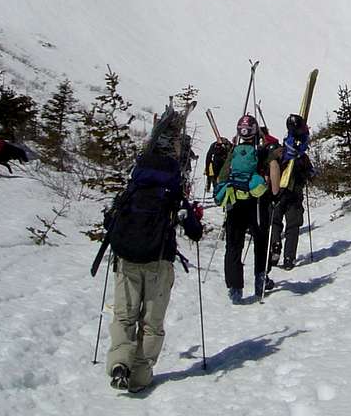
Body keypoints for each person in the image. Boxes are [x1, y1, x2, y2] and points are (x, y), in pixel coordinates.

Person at [105, 113, 203, 393]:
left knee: (124, 315)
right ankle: (139, 376)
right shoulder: (172, 187)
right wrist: (191, 222)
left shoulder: (135, 183)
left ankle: (119, 363)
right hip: (159, 260)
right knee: (151, 322)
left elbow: (111, 219)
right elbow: (193, 230)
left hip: (127, 259)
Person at [216, 114, 281, 302]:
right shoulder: (262, 152)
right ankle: (261, 279)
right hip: (258, 204)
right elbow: (274, 167)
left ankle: (235, 288)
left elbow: (221, 178)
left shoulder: (234, 153)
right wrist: (275, 194)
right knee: (261, 242)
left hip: (235, 203)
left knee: (234, 245)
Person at [269, 113, 313, 270]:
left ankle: (274, 245)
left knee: (275, 221)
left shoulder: (278, 152)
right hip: (294, 193)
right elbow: (311, 173)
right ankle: (289, 257)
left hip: (277, 192)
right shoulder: (302, 155)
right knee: (293, 225)